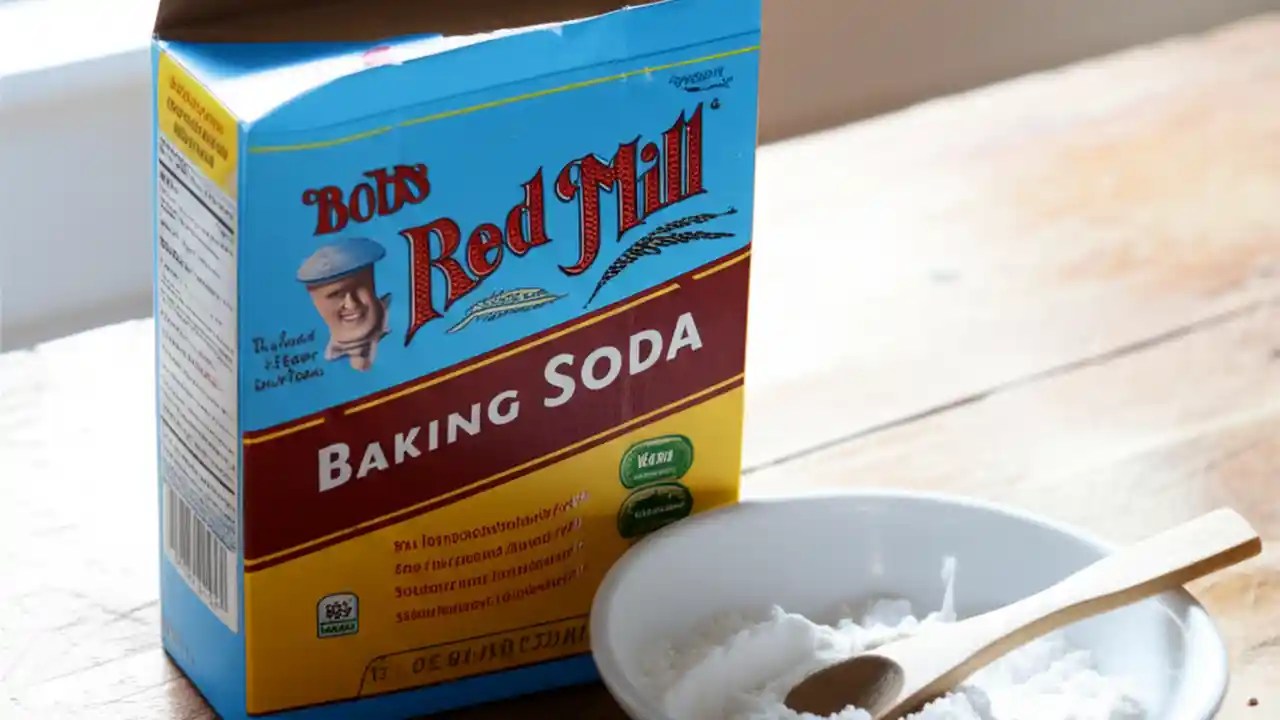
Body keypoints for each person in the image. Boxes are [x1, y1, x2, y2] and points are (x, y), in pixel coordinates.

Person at [296, 237, 391, 371]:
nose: (351, 304)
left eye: (359, 288)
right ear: (317, 303)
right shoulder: (322, 361)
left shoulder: (405, 323)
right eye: (336, 295)